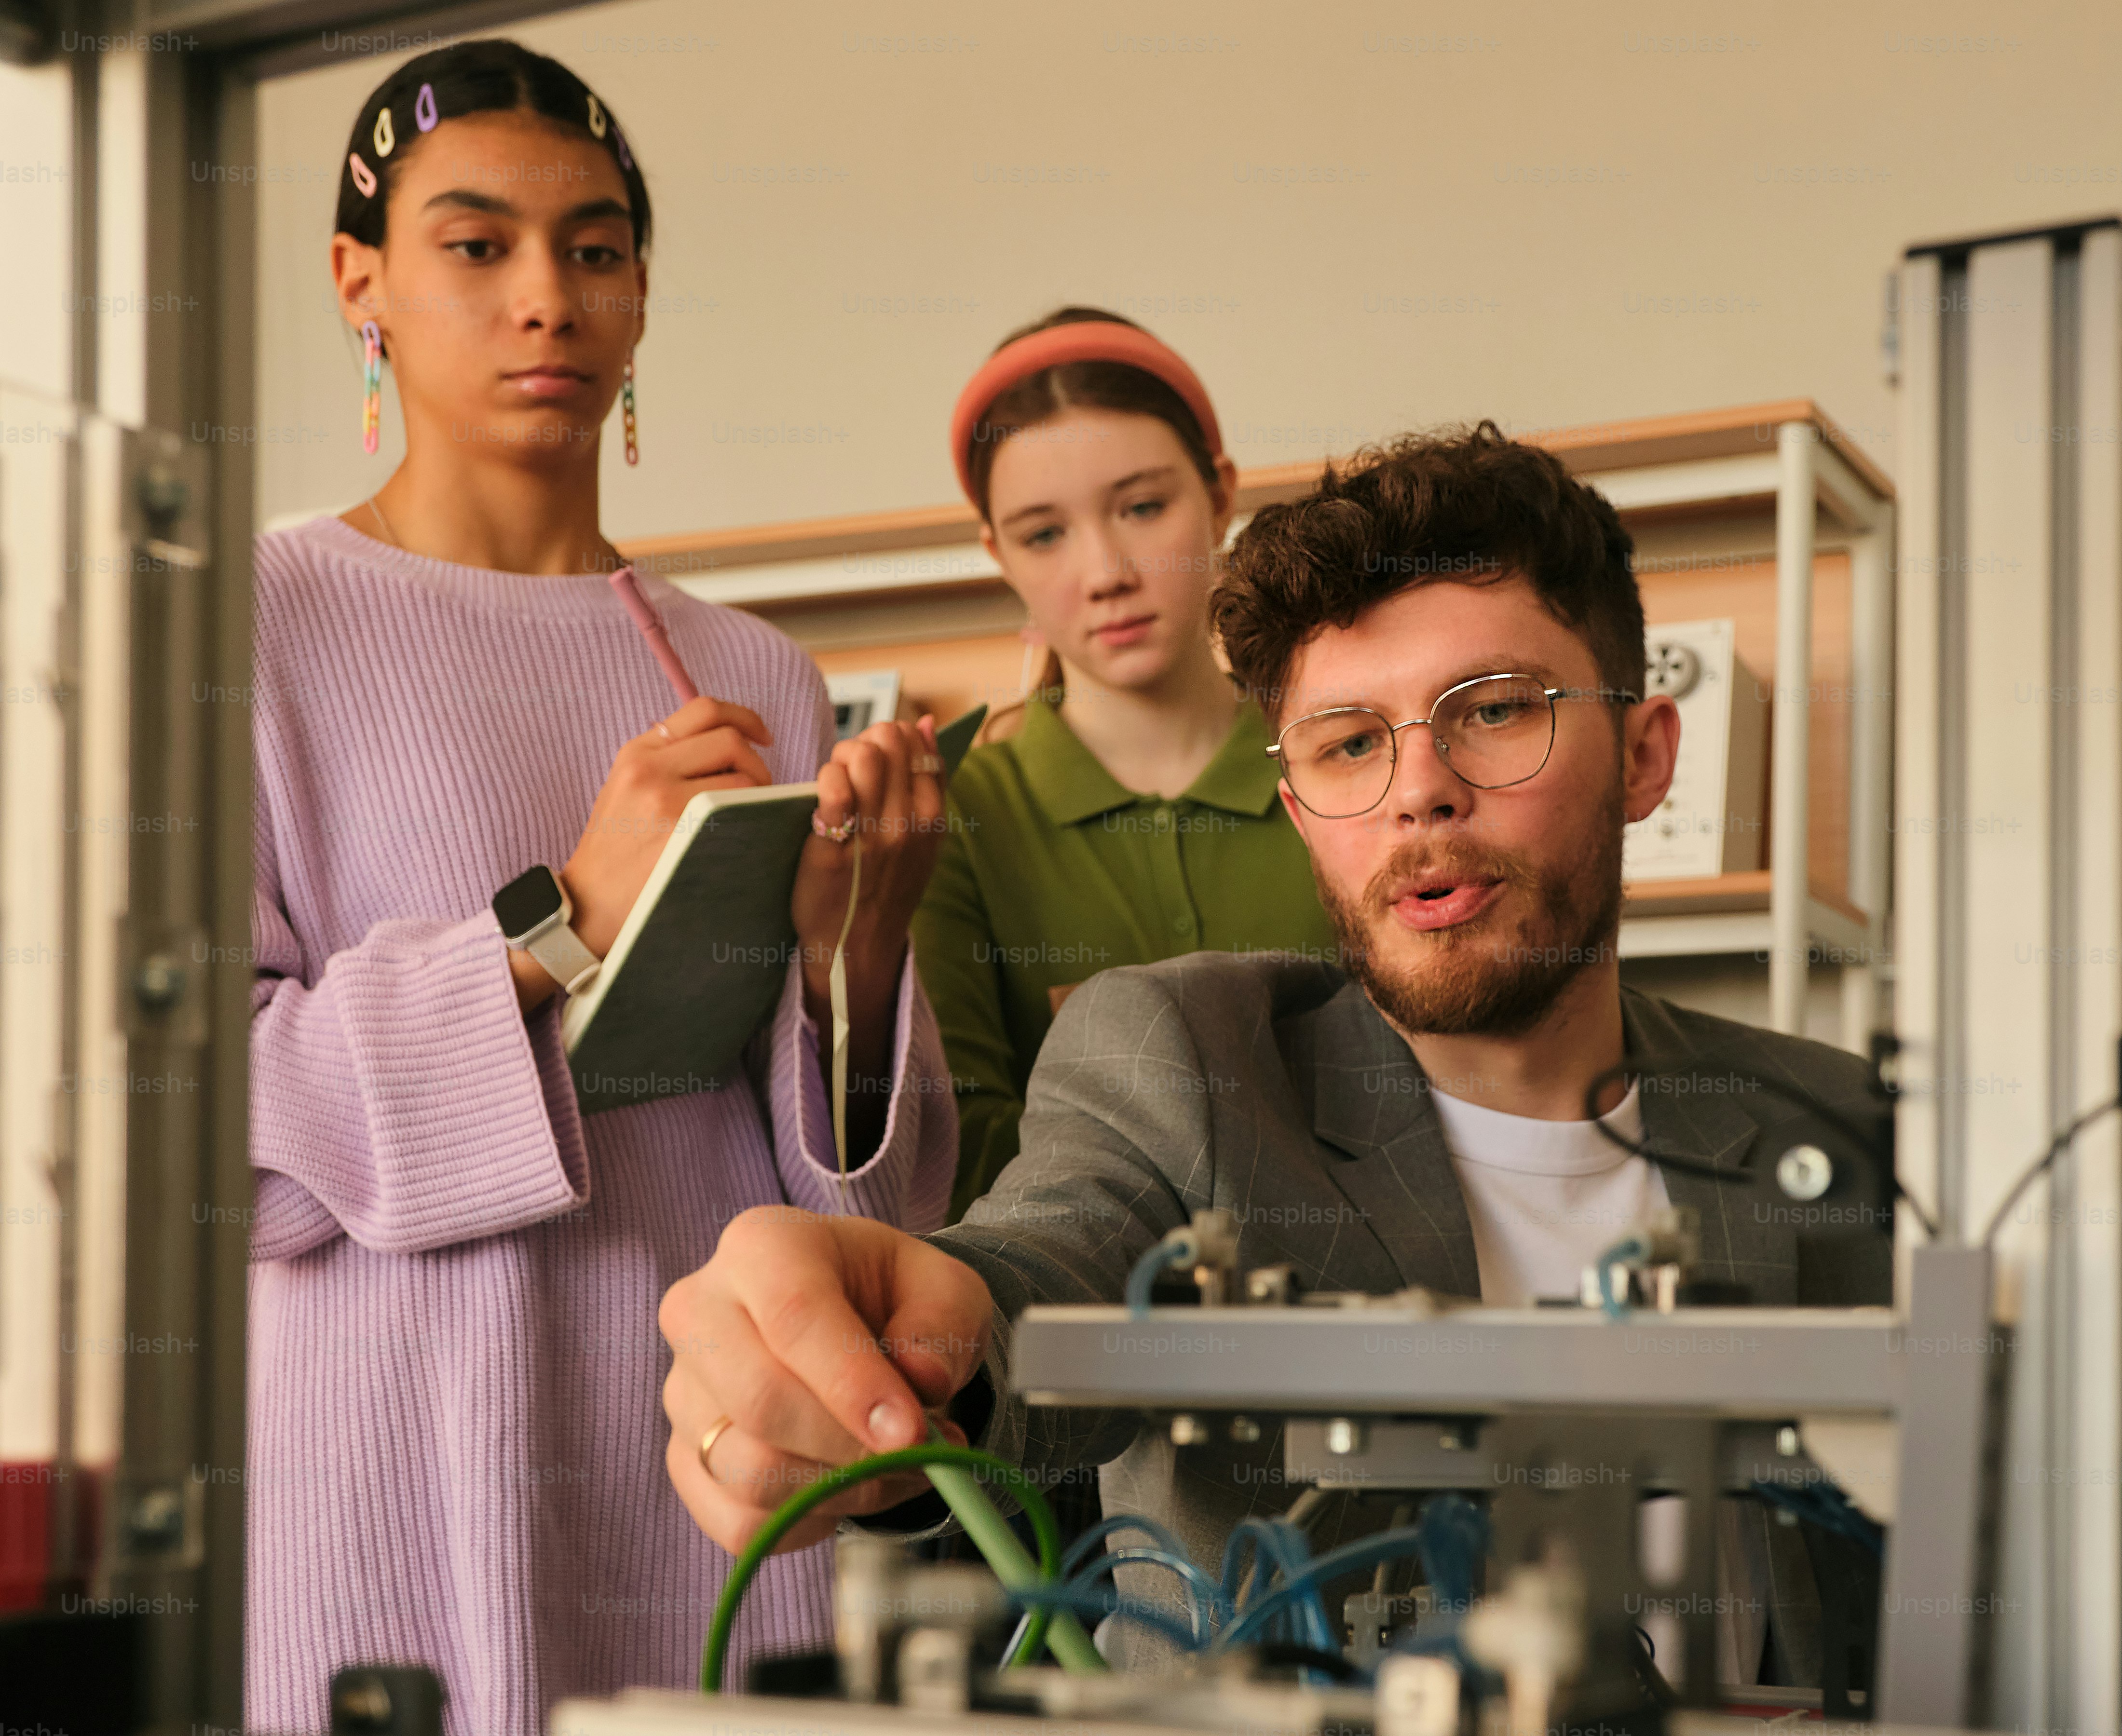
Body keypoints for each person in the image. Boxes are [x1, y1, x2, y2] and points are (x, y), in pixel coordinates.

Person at [659, 425, 1894, 1682]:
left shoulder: (1832, 1123)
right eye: (1352, 743)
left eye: (1497, 712)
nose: (1421, 791)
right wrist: (910, 1345)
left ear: (1643, 757)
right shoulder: (1194, 1068)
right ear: (1303, 812)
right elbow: (1031, 1282)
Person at [249, 41, 956, 1733]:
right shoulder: (246, 630)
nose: (545, 302)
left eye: (595, 249)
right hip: (377, 1492)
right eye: (476, 247)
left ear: (640, 297)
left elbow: (861, 1224)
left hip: (704, 1476)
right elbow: (218, 1148)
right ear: (363, 283)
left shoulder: (752, 670)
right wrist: (561, 908)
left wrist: (864, 954)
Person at [915, 308, 1334, 1222]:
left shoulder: (1349, 770)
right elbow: (964, 1160)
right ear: (997, 553)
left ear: (1220, 494)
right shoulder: (950, 824)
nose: (1105, 571)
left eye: (1143, 508)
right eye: (1044, 534)